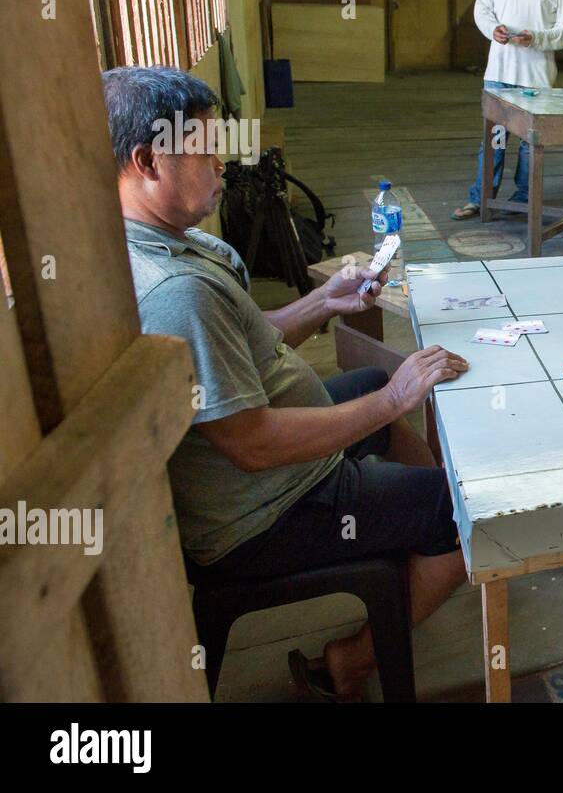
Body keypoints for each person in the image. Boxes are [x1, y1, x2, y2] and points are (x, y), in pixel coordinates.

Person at [108, 65, 470, 700]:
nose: (221, 165)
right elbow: (253, 444)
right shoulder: (176, 291)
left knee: (367, 389)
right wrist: (395, 396)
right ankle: (353, 658)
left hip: (262, 466)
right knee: (468, 511)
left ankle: (413, 552)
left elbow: (245, 339)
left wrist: (325, 302)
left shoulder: (161, 242)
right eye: (205, 151)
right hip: (264, 508)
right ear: (147, 161)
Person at [452, 0, 563, 220]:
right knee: (493, 141)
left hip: (536, 79)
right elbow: (482, 9)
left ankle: (522, 199)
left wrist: (535, 38)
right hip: (499, 74)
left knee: (527, 145)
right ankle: (481, 198)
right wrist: (491, 30)